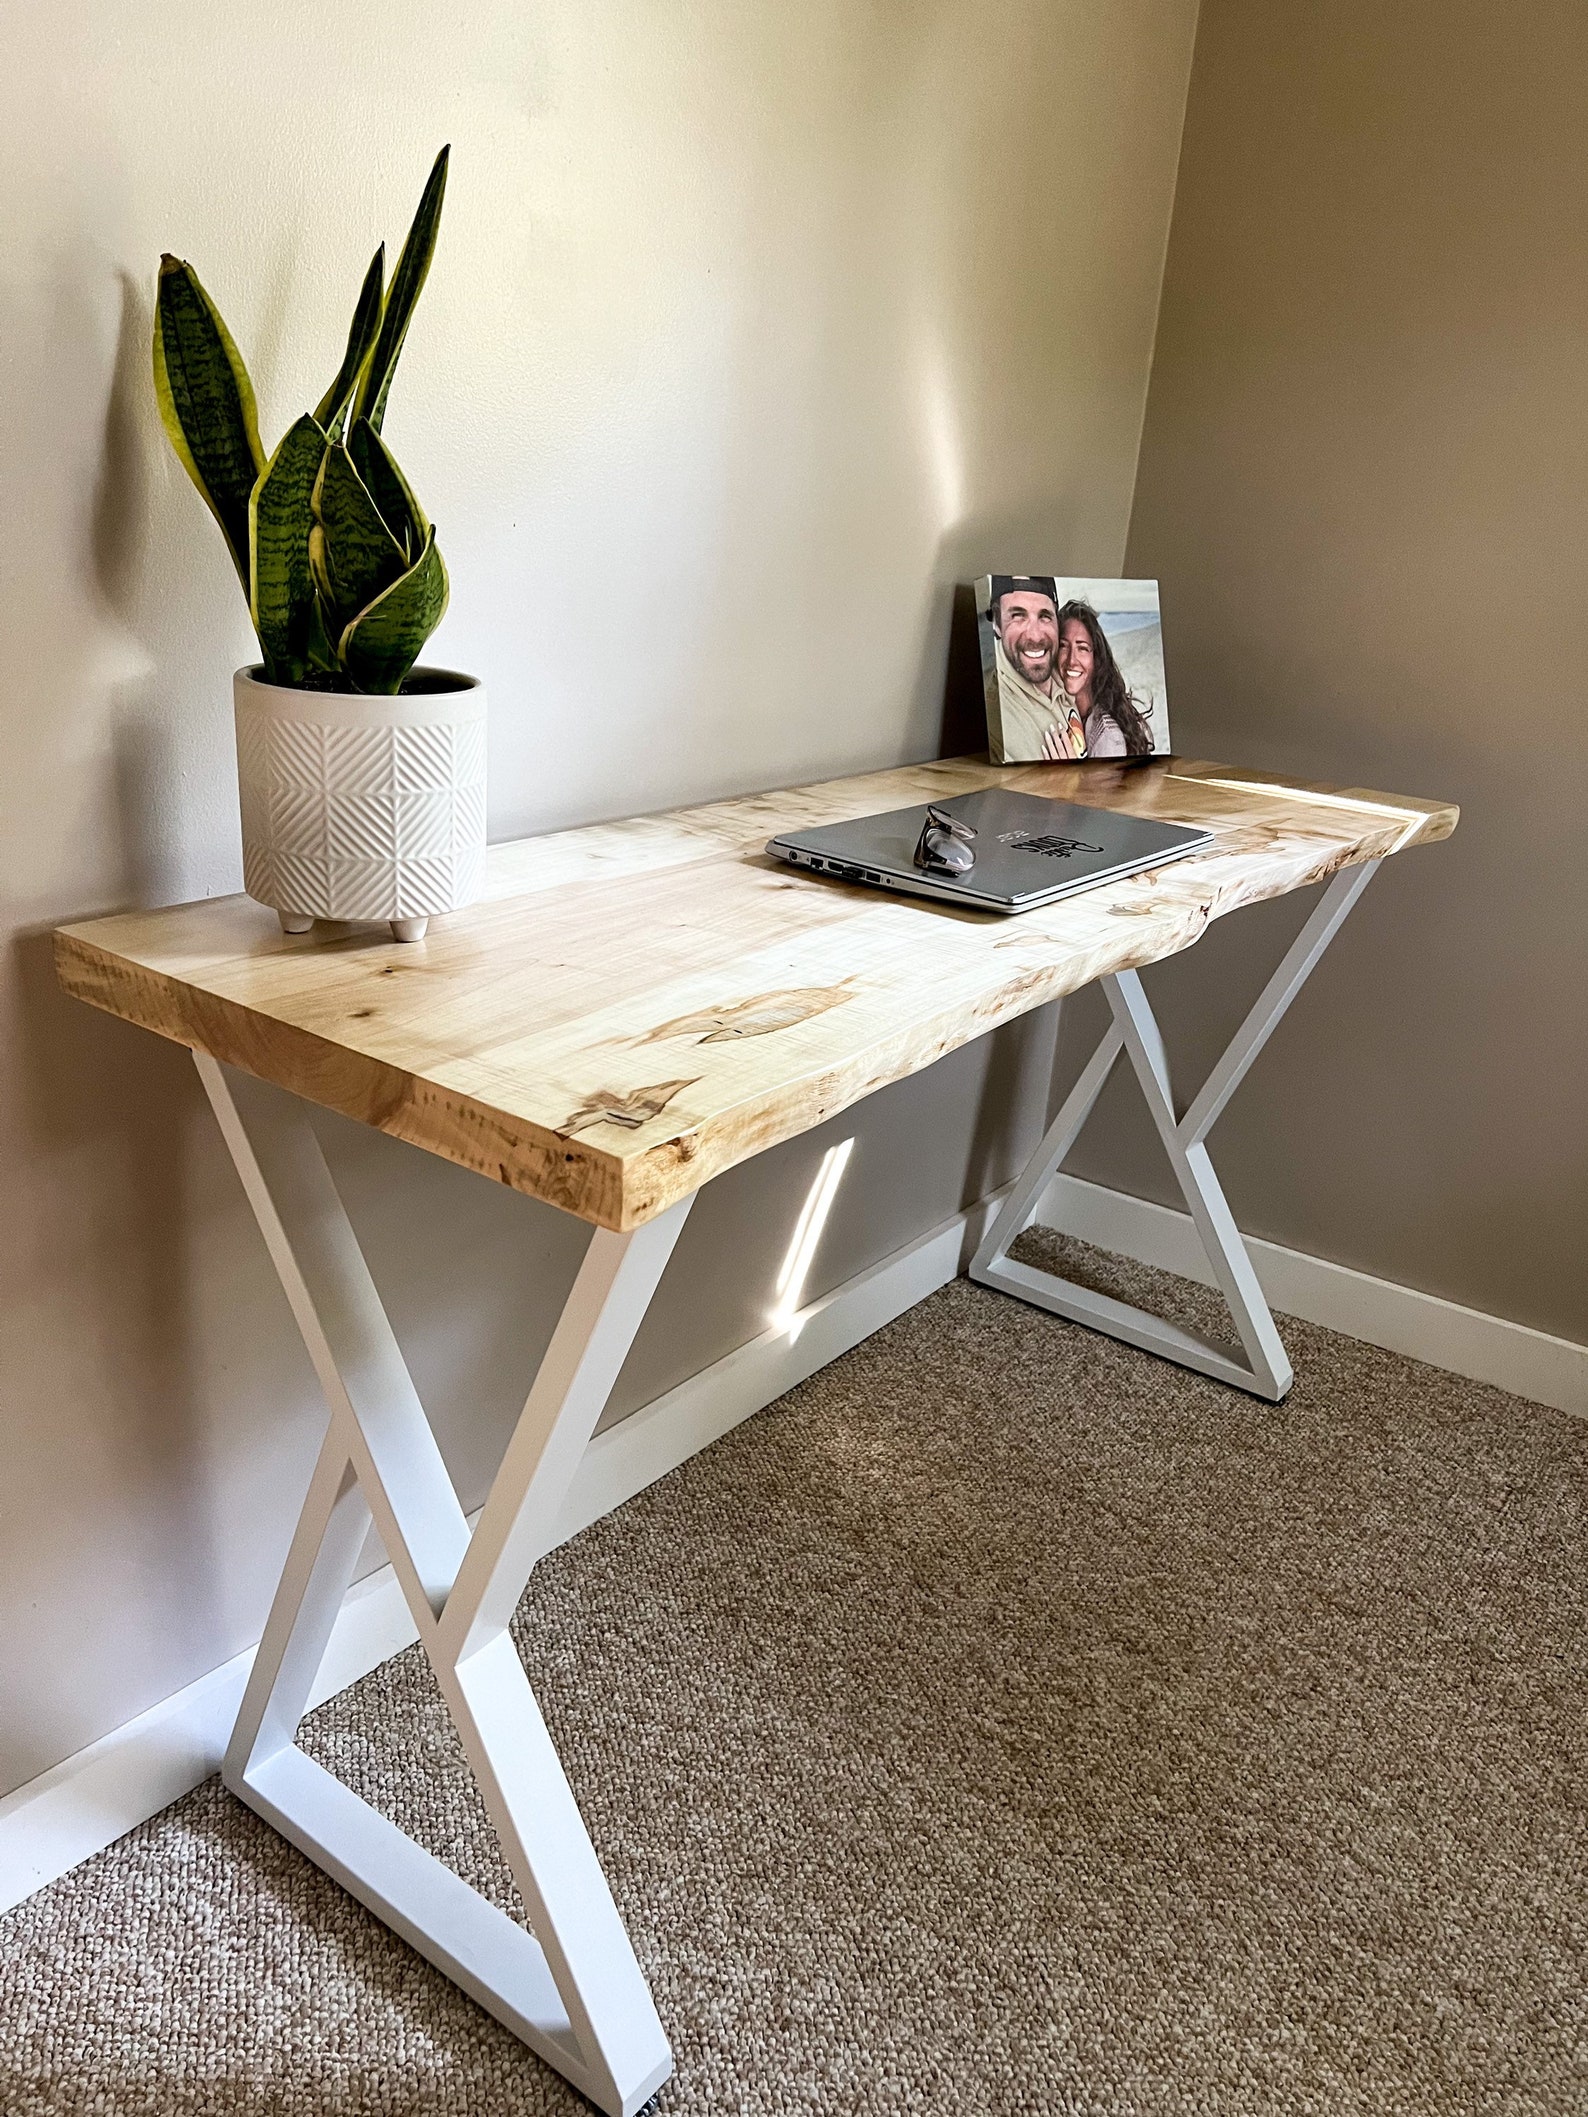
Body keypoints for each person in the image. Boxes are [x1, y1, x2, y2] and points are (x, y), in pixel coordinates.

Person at [985, 576, 1086, 761]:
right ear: (996, 624)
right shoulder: (995, 719)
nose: (1035, 636)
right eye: (1017, 616)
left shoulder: (1067, 674)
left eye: (1045, 616)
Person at [1051, 599, 1156, 758]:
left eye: (1083, 648)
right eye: (1063, 646)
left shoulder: (1107, 736)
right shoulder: (1065, 712)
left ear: (1096, 660)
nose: (1071, 660)